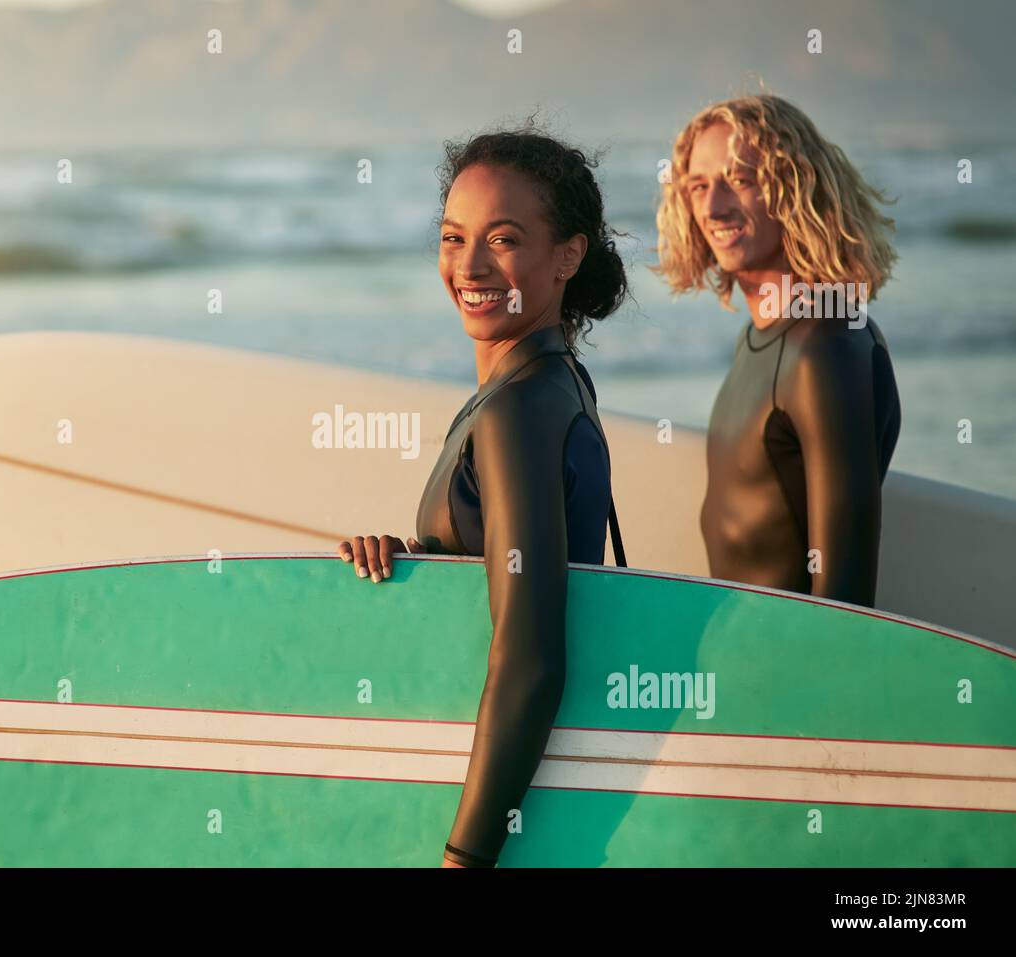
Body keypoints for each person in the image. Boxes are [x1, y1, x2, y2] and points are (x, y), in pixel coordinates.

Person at [338, 123, 628, 867]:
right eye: (452, 237)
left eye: (501, 239)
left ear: (567, 255)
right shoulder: (550, 383)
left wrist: (465, 857)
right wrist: (420, 562)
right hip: (512, 781)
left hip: (502, 804)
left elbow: (531, 658)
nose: (469, 265)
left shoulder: (516, 410)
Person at [656, 95, 901, 606]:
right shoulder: (763, 338)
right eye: (699, 186)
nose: (713, 207)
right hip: (741, 662)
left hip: (783, 673)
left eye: (740, 180)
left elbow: (846, 599)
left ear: (796, 189)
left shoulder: (825, 346)